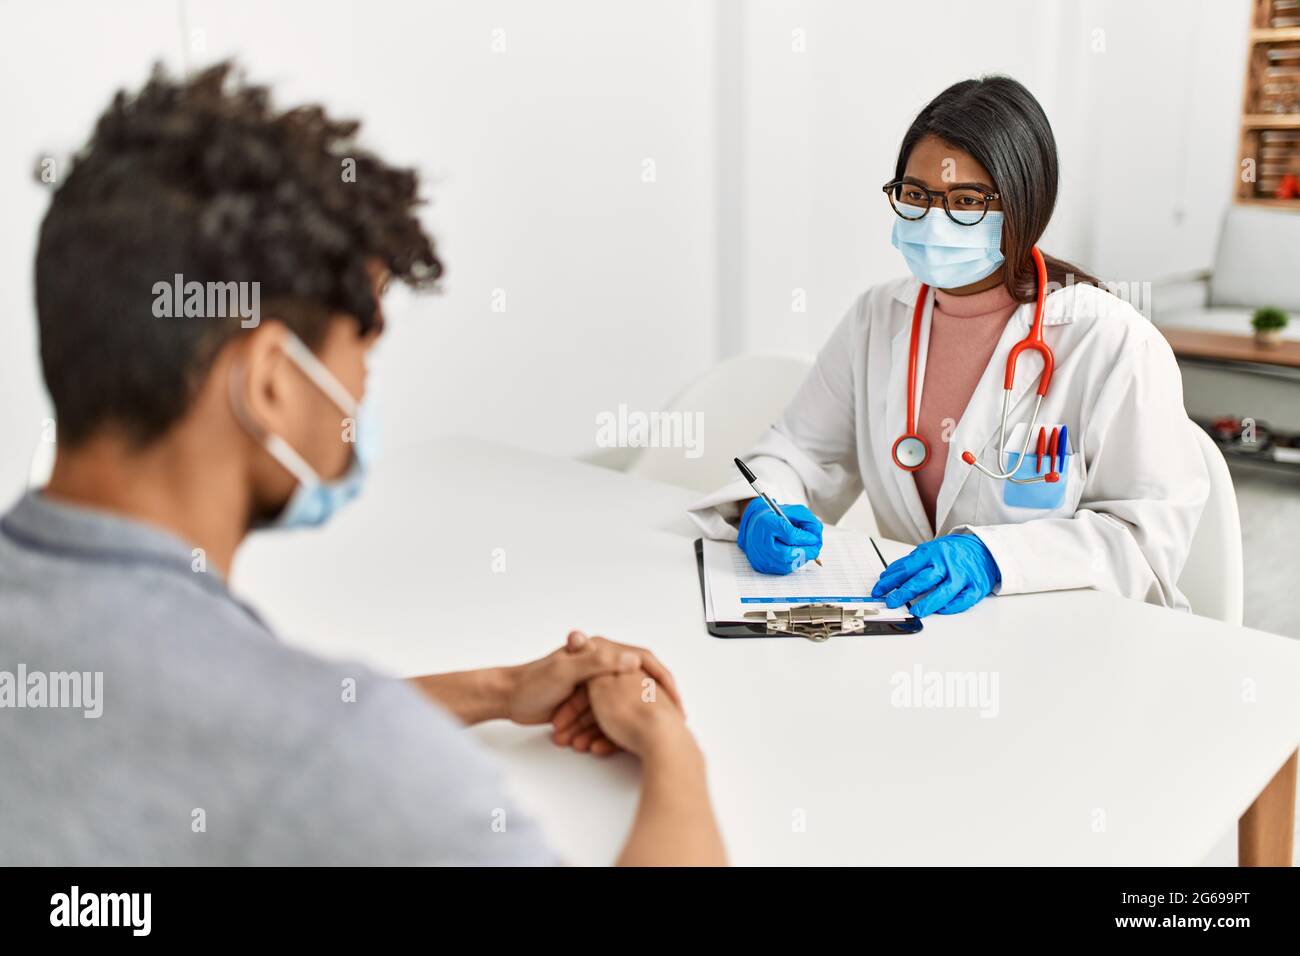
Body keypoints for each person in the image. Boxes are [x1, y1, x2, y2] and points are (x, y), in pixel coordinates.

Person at [0, 63, 724, 866]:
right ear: (271, 385)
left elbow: (207, 731)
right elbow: (298, 745)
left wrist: (499, 690)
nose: (362, 393)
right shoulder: (336, 757)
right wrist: (667, 744)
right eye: (363, 354)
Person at [690, 76, 1208, 617]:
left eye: (966, 201)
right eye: (916, 195)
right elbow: (798, 452)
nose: (934, 221)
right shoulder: (877, 317)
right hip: (922, 633)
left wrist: (993, 558)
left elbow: (1146, 542)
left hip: (1068, 642)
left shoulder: (1110, 342)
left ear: (1027, 205)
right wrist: (763, 503)